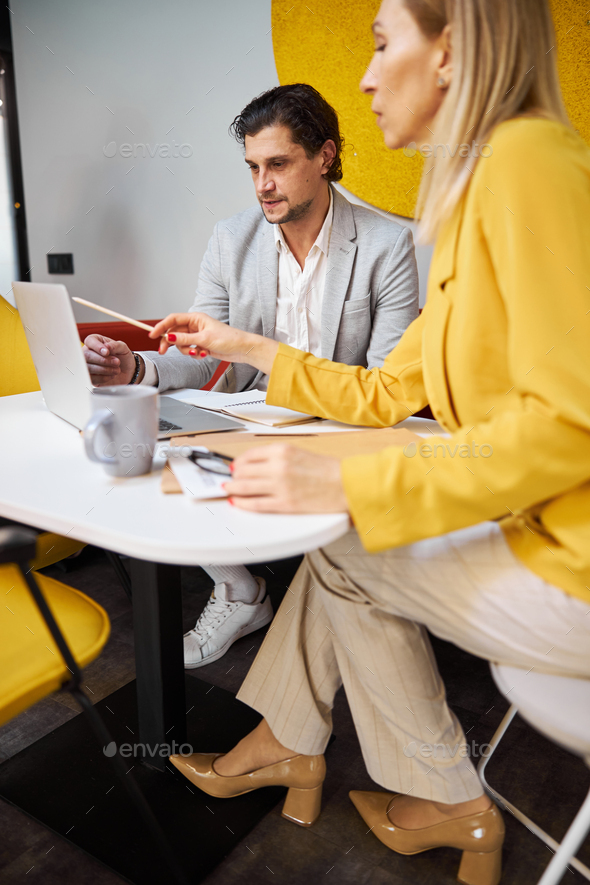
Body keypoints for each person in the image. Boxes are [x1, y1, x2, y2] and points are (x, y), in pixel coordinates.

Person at [149, 0, 590, 882]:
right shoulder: (478, 191)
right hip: (541, 527)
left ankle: (445, 799)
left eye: (385, 43)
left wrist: (357, 489)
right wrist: (242, 346)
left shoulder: (527, 162)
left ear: (453, 49)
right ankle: (289, 745)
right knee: (341, 543)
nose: (365, 71)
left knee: (345, 539)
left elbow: (572, 427)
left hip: (573, 565)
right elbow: (392, 391)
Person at [83, 84, 419, 669]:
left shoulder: (388, 245)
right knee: (148, 452)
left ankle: (327, 631)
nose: (263, 183)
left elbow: (385, 386)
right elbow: (206, 354)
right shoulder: (230, 239)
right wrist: (137, 366)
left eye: (279, 164)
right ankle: (240, 591)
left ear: (326, 156)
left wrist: (255, 349)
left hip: (342, 426)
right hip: (247, 421)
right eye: (253, 167)